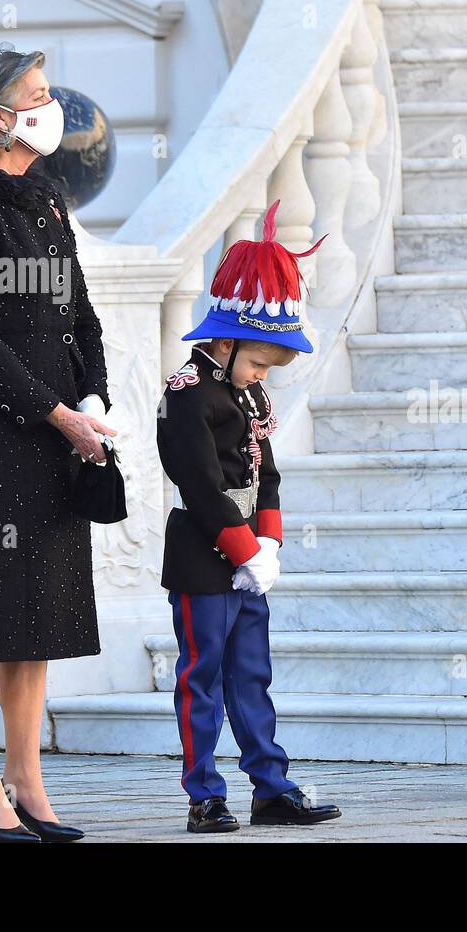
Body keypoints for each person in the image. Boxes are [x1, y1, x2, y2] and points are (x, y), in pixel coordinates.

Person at [0, 45, 113, 842]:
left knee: (34, 618)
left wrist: (95, 399)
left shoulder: (48, 200)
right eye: (35, 95)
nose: (51, 107)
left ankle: (28, 784)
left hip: (52, 432)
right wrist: (59, 415)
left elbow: (83, 317)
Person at [157, 199, 341, 832]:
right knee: (200, 678)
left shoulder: (249, 389)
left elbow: (267, 473)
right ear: (228, 340)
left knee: (252, 677)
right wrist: (245, 550)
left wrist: (270, 544)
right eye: (260, 360)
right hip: (204, 557)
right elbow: (201, 487)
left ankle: (271, 787)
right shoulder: (187, 396)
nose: (265, 375)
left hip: (247, 562)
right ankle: (204, 793)